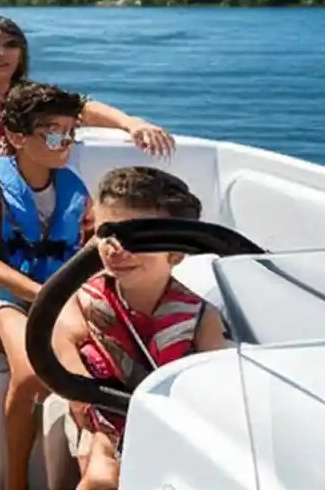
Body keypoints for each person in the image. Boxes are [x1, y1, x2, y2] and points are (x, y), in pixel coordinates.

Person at [51, 166, 227, 490]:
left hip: (166, 427)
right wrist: (90, 410)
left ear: (176, 252)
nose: (116, 247)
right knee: (102, 478)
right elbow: (62, 341)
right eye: (107, 233)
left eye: (136, 237)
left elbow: (217, 391)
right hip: (98, 416)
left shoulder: (201, 318)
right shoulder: (87, 299)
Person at [0, 81, 93, 490]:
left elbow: (87, 248)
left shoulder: (76, 190)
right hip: (9, 297)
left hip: (63, 296)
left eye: (71, 133)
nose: (67, 142)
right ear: (16, 136)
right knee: (27, 376)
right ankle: (16, 481)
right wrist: (41, 294)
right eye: (55, 133)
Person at [0, 15, 176, 156]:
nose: (0, 53)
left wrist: (132, 123)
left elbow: (81, 108)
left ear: (21, 54)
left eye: (10, 45)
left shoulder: (30, 95)